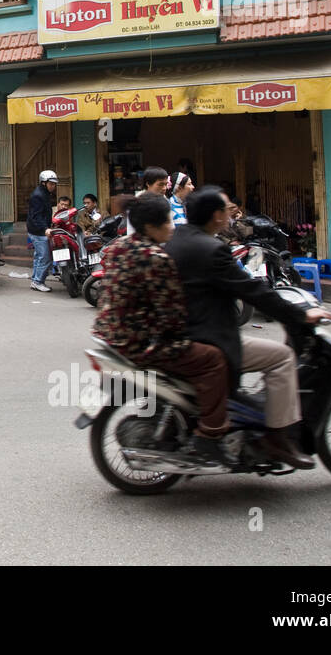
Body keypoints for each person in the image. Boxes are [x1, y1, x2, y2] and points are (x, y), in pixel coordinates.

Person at [163, 186, 331, 469]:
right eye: (227, 210)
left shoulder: (178, 238)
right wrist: (299, 316)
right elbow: (253, 292)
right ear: (216, 216)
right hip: (207, 335)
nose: (231, 215)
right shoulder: (212, 249)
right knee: (281, 357)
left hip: (183, 328)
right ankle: (277, 439)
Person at [93, 194, 232, 464]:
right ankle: (211, 434)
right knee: (214, 359)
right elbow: (172, 313)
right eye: (168, 220)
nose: (172, 225)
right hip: (143, 343)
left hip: (111, 335)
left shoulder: (117, 247)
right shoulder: (156, 257)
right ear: (151, 227)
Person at [26, 170, 58, 293]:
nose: (53, 186)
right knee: (45, 257)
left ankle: (35, 280)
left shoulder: (44, 193)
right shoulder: (38, 195)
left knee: (39, 257)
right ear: (44, 183)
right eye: (51, 184)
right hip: (38, 231)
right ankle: (38, 281)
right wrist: (45, 228)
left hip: (37, 229)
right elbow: (37, 216)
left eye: (54, 184)